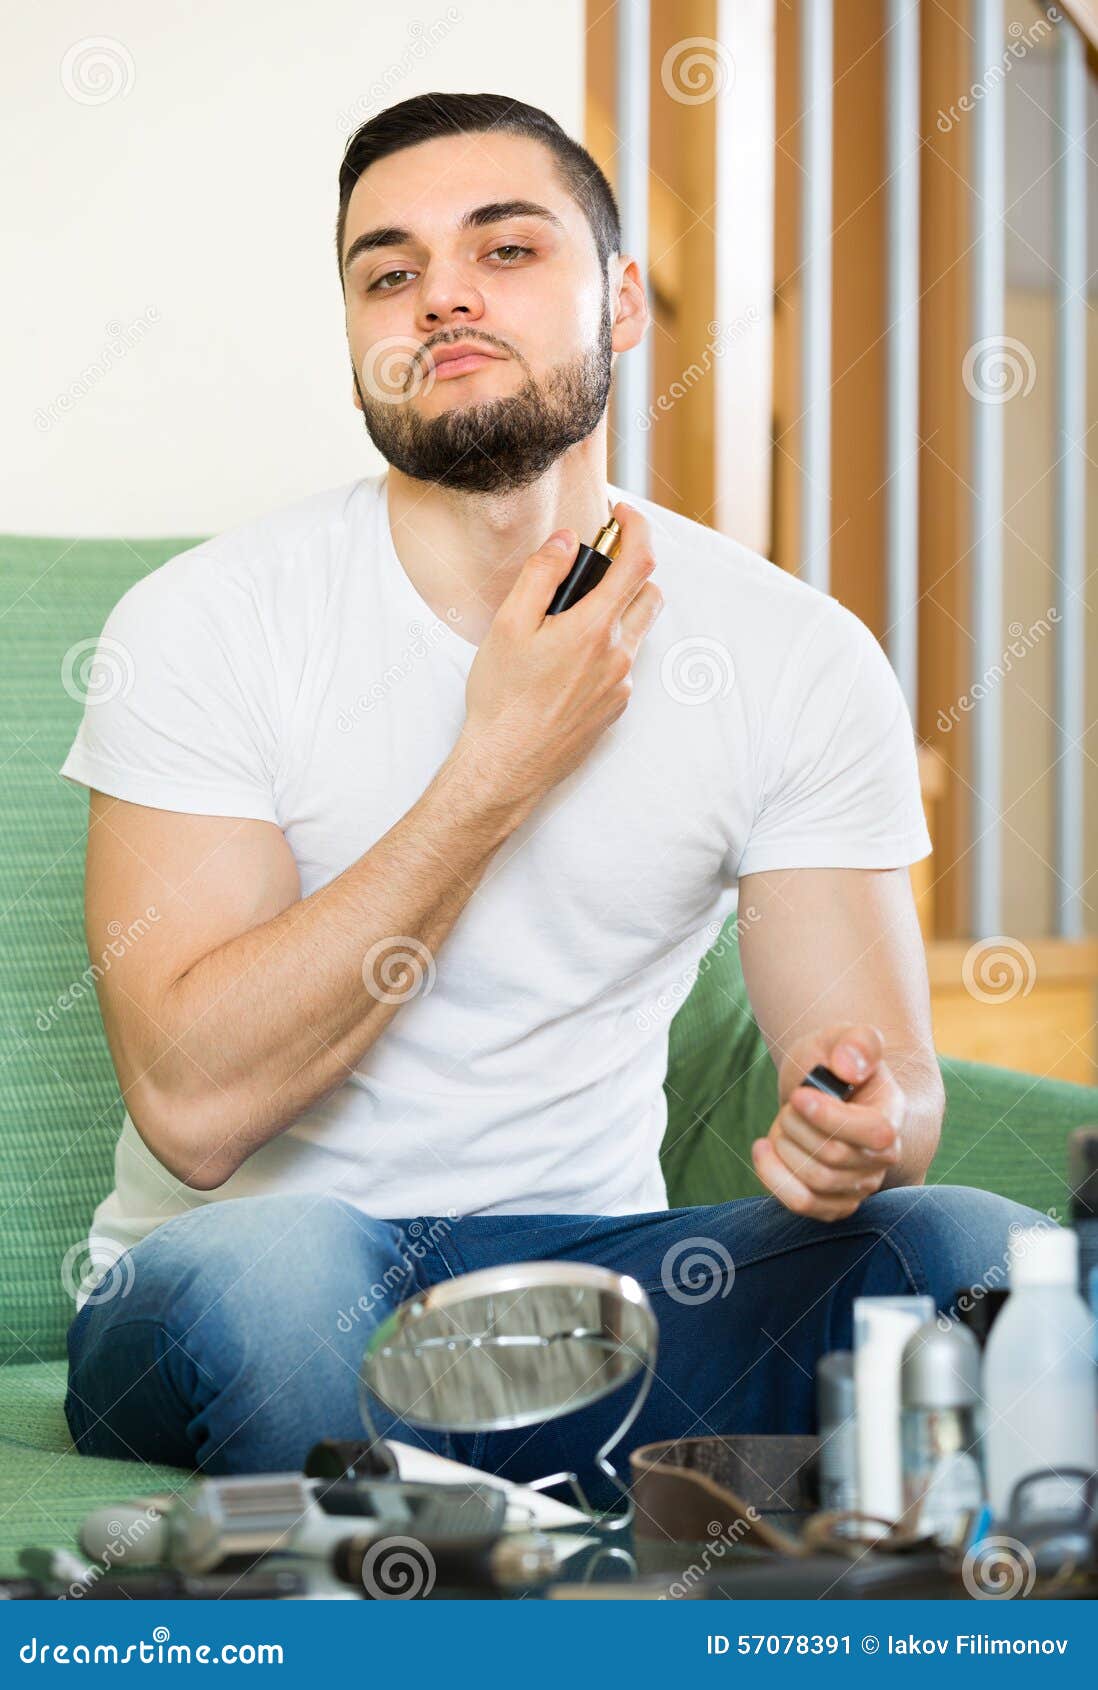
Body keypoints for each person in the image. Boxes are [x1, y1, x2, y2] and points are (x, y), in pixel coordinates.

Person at [60, 92, 1041, 1495]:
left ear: (623, 302)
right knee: (281, 1285)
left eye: (505, 250)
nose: (440, 295)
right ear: (357, 339)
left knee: (969, 1260)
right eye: (389, 272)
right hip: (231, 1278)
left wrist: (859, 1125)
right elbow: (196, 1109)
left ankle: (474, 1494)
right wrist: (496, 764)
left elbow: (888, 1089)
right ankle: (594, 1504)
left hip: (586, 1285)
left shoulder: (790, 653)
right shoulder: (205, 622)